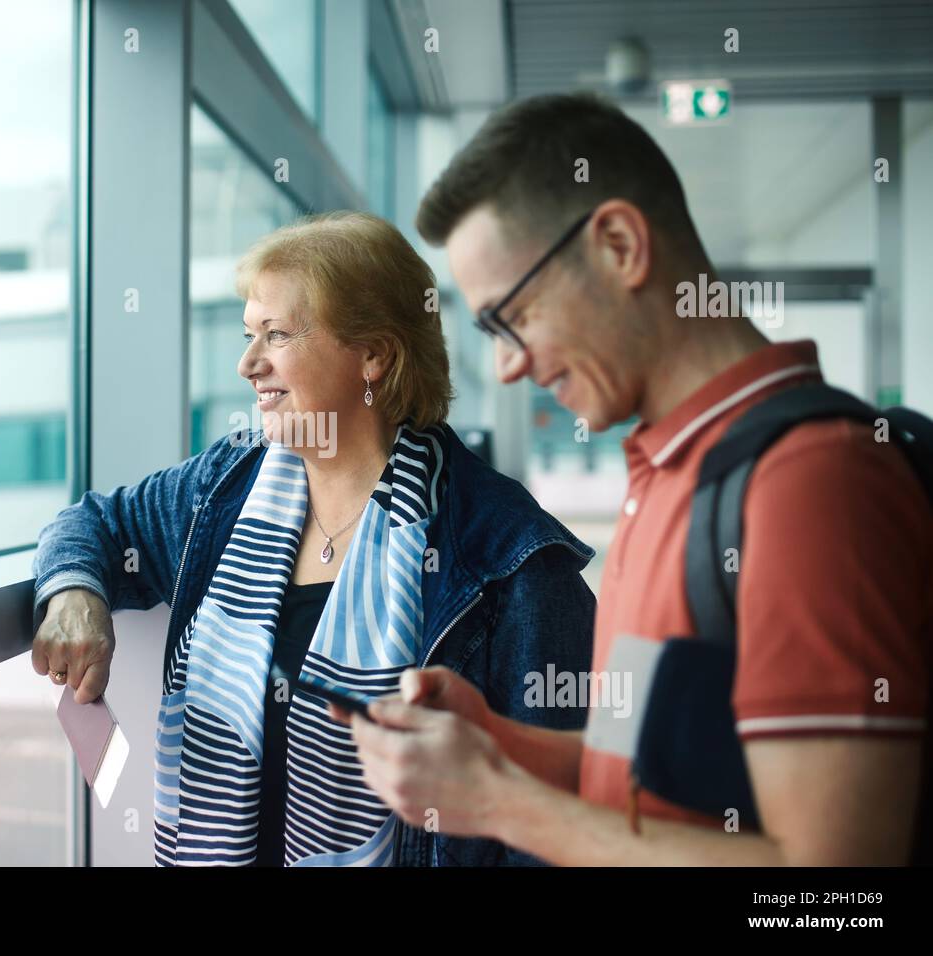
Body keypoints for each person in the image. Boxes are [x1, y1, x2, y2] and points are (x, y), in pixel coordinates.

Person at [340, 93, 932, 866]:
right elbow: (642, 770)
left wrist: (500, 804)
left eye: (511, 317)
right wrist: (498, 745)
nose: (509, 364)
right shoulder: (664, 474)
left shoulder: (810, 483)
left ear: (619, 244)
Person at [30, 211, 597, 866]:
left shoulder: (508, 557)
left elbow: (557, 822)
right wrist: (72, 591)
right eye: (250, 335)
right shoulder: (225, 488)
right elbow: (94, 522)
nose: (248, 364)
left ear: (374, 354)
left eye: (276, 335)